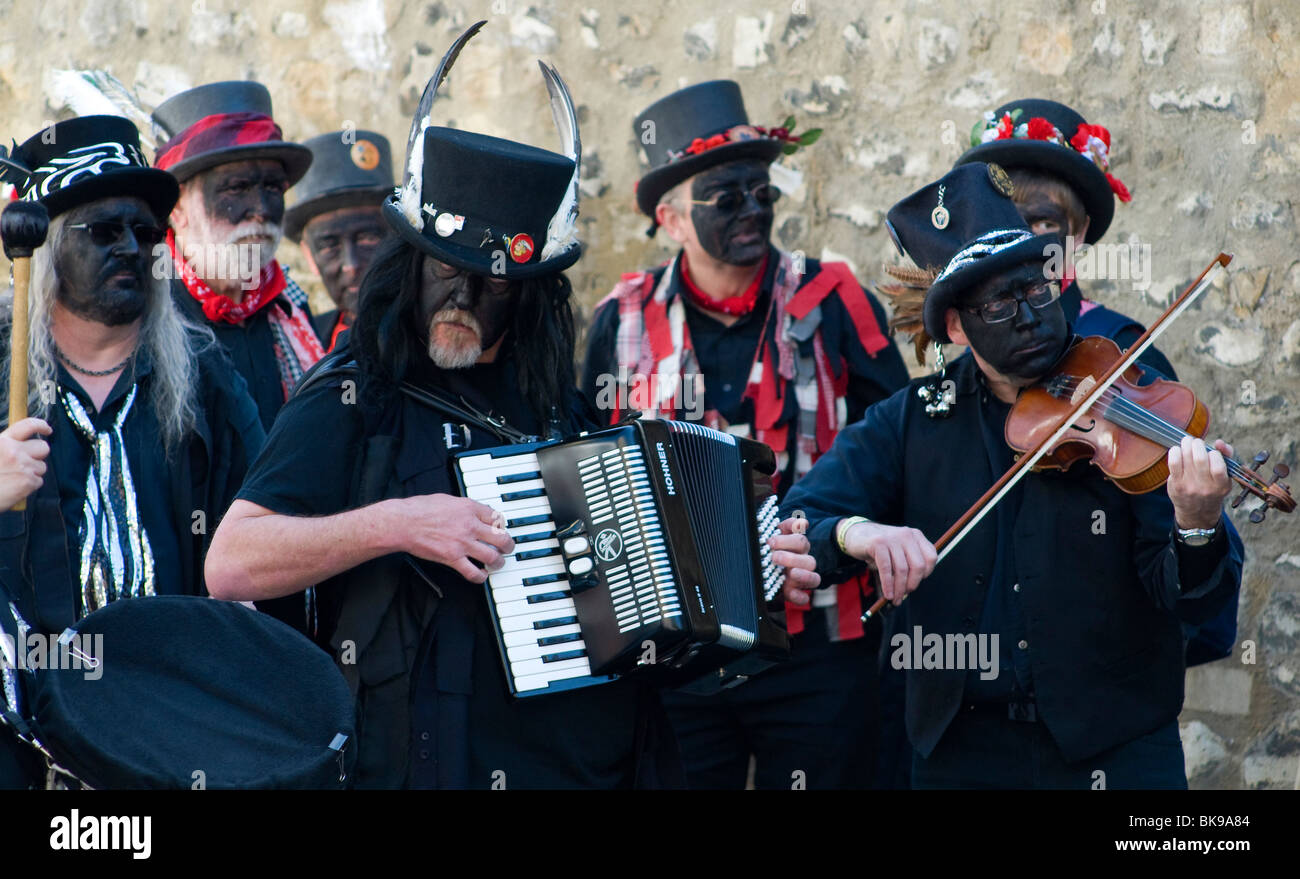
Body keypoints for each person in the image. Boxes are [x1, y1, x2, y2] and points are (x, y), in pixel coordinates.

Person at [205, 36, 820, 789]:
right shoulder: (356, 394)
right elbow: (231, 561)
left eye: (492, 286)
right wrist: (399, 522)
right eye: (445, 272)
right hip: (428, 758)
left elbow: (643, 619)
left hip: (585, 763)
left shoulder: (561, 410)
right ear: (410, 268)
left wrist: (755, 578)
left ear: (530, 295)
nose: (462, 301)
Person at [782, 163, 1243, 789]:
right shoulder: (912, 421)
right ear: (954, 325)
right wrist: (859, 535)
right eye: (1000, 303)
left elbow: (1189, 598)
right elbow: (803, 523)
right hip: (962, 754)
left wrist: (1196, 526)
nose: (1030, 316)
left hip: (1114, 749)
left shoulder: (1122, 400)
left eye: (1038, 288)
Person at [582, 80, 909, 789]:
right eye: (725, 198)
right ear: (670, 218)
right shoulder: (622, 318)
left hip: (821, 638)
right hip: (682, 649)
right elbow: (588, 464)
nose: (753, 211)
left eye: (762, 192)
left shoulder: (835, 297)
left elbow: (901, 441)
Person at [0, 115, 264, 788]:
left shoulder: (206, 379)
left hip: (170, 729)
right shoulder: (0, 376)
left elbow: (265, 518)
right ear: (51, 244)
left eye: (146, 233)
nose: (131, 247)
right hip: (21, 738)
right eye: (104, 230)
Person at [956, 99, 1240, 666]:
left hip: (1093, 654)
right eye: (1007, 224)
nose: (1024, 244)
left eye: (1043, 225)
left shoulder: (1123, 348)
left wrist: (1197, 521)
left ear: (1080, 233)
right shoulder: (963, 358)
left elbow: (1160, 531)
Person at [153, 80, 324, 431]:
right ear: (178, 207)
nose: (260, 210)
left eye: (273, 188)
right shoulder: (147, 319)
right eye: (236, 189)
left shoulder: (290, 310)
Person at [283, 130, 394, 350]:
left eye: (368, 238)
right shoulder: (298, 347)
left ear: (398, 240)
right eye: (329, 245)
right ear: (309, 256)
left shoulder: (434, 340)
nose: (351, 265)